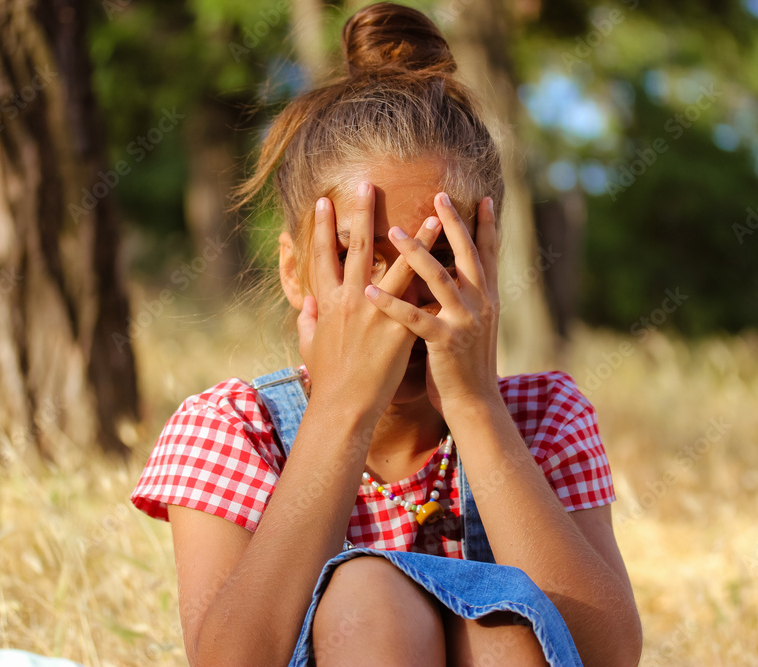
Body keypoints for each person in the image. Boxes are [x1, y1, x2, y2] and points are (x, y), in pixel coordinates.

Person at [130, 3, 642, 665]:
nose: (400, 298)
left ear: (488, 261)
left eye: (440, 256)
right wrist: (343, 407)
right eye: (358, 256)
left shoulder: (545, 420)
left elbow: (606, 656)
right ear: (295, 271)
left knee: (506, 625)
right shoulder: (233, 431)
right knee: (368, 595)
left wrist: (477, 408)